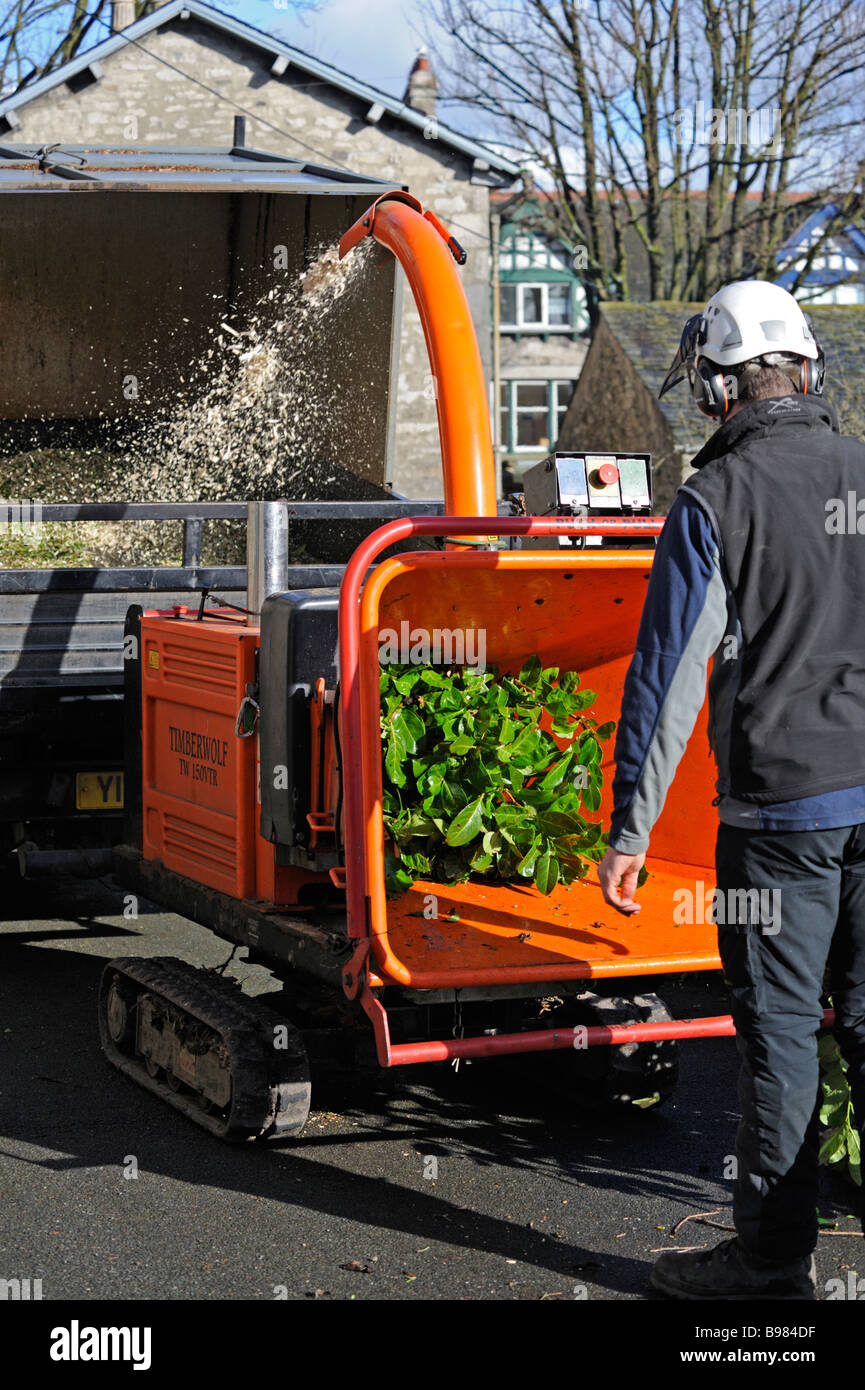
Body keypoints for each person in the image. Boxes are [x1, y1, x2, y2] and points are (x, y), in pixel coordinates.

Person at [596, 279, 865, 1301]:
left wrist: (630, 827)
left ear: (716, 392)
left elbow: (667, 678)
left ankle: (767, 1269)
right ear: (809, 367)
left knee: (782, 1035)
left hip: (778, 826)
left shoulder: (715, 502)